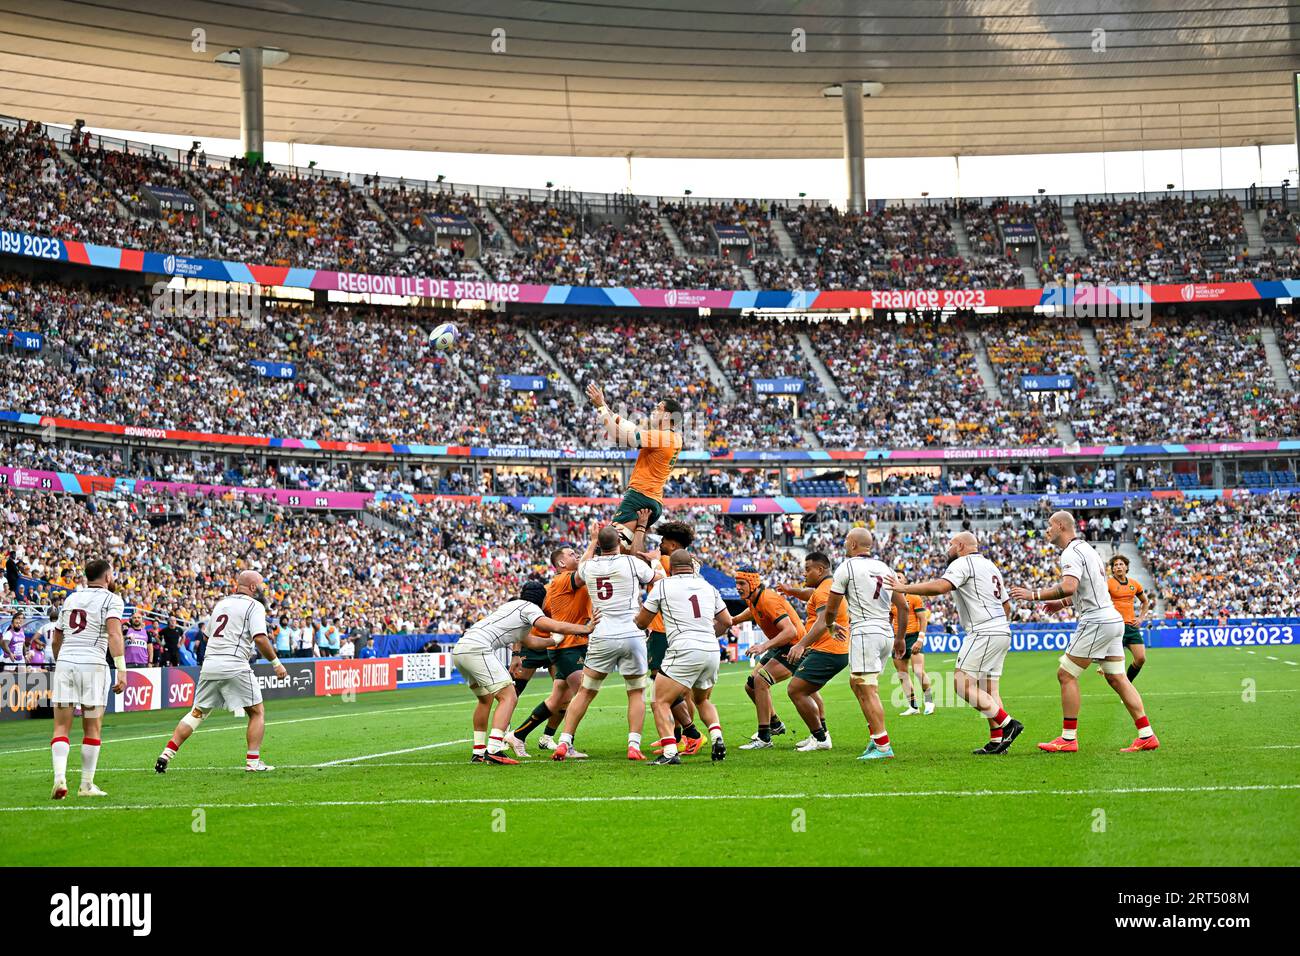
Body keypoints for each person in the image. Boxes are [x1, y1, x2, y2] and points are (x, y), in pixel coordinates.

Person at [1009, 511, 1159, 753]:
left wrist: (1033, 595)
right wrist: (1065, 603)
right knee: (1117, 678)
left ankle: (1068, 738)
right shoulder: (1087, 549)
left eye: (1049, 526)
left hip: (1097, 620)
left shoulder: (1070, 552)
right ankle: (1146, 734)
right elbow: (1088, 588)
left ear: (1060, 526)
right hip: (1112, 618)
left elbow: (1069, 586)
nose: (1046, 530)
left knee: (1066, 675)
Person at [889, 532, 1024, 755]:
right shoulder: (990, 565)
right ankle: (997, 741)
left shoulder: (963, 562)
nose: (948, 549)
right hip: (1001, 629)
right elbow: (1006, 605)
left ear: (960, 545)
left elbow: (941, 587)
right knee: (989, 689)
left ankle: (1008, 724)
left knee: (961, 684)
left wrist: (904, 588)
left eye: (951, 545)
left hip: (983, 631)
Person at [154, 571, 287, 774]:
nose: (264, 588)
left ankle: (166, 754)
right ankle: (253, 762)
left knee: (197, 712)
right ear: (252, 587)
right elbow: (260, 638)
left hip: (210, 664)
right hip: (234, 663)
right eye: (261, 584)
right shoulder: (254, 606)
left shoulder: (221, 604)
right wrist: (276, 663)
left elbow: (207, 636)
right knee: (257, 712)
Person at [551, 519, 661, 761]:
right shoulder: (631, 562)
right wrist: (655, 558)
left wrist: (591, 542)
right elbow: (656, 578)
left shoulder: (588, 567)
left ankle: (564, 741)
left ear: (598, 544)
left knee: (586, 691)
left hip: (602, 633)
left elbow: (581, 567)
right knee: (635, 692)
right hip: (632, 633)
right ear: (620, 543)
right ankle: (633, 745)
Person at [453, 582, 595, 764]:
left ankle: (479, 751)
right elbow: (548, 624)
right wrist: (584, 629)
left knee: (485, 699)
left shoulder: (512, 606)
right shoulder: (530, 608)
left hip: (460, 650)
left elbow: (531, 641)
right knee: (509, 696)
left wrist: (553, 641)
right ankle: (495, 749)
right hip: (478, 649)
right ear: (543, 599)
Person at [800, 529, 908, 760]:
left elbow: (831, 607)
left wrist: (829, 625)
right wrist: (899, 638)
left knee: (867, 688)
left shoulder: (846, 567)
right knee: (858, 684)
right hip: (885, 633)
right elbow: (904, 606)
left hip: (864, 632)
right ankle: (875, 739)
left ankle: (882, 745)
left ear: (851, 543)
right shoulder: (885, 568)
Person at [633, 549, 731, 764]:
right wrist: (706, 635)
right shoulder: (708, 587)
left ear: (671, 568)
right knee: (702, 699)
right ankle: (717, 737)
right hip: (711, 649)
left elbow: (642, 622)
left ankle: (669, 752)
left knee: (659, 700)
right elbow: (727, 621)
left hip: (685, 648)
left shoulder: (663, 585)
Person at [48, 558, 127, 799]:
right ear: (108, 577)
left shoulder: (72, 598)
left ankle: (60, 777)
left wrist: (62, 661)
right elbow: (114, 634)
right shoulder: (112, 599)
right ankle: (85, 785)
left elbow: (56, 637)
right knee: (92, 726)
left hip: (66, 664)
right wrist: (121, 669)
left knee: (61, 725)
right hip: (92, 666)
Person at [506, 545, 592, 757]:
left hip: (558, 644)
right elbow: (523, 623)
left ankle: (533, 736)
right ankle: (501, 734)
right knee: (581, 692)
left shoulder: (571, 585)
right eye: (571, 554)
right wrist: (517, 653)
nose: (577, 556)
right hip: (549, 644)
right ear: (561, 563)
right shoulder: (556, 585)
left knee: (560, 698)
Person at [584, 382, 683, 549]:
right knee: (629, 550)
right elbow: (627, 426)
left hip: (640, 496)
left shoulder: (661, 437)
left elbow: (619, 436)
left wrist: (601, 408)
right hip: (654, 499)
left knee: (608, 546)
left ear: (667, 416)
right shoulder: (675, 438)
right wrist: (604, 405)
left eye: (658, 408)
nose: (653, 411)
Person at [644, 520, 707, 754]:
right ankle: (679, 735)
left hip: (665, 629)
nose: (659, 545)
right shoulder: (690, 562)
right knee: (679, 690)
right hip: (680, 630)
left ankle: (686, 736)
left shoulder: (668, 561)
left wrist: (641, 531)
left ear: (671, 544)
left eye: (662, 542)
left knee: (667, 687)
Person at [780, 551, 850, 751]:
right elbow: (807, 595)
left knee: (796, 690)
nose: (805, 574)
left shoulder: (824, 591)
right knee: (809, 691)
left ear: (820, 570)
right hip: (829, 649)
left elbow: (821, 623)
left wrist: (800, 644)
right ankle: (819, 734)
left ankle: (820, 738)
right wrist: (790, 591)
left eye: (808, 569)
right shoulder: (826, 588)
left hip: (829, 650)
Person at [735, 567, 805, 750]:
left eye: (742, 583)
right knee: (750, 686)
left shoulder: (768, 600)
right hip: (782, 645)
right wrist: (732, 621)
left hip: (795, 646)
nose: (738, 587)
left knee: (761, 680)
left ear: (753, 583)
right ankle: (774, 724)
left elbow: (791, 631)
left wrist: (763, 646)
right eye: (737, 583)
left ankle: (764, 737)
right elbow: (751, 612)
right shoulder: (754, 599)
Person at [1104, 555, 1153, 682]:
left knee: (1141, 658)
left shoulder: (1134, 584)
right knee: (1113, 665)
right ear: (1112, 570)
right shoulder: (1108, 584)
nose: (1118, 567)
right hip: (1115, 627)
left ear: (1126, 567)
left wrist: (1141, 618)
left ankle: (1128, 684)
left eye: (1121, 564)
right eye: (1115, 565)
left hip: (1131, 627)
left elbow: (1145, 602)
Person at [891, 579, 933, 716]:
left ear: (904, 581)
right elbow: (889, 620)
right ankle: (913, 706)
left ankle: (929, 702)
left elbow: (922, 619)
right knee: (902, 674)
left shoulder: (914, 596)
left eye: (900, 576)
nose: (897, 578)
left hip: (913, 636)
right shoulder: (889, 599)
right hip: (898, 638)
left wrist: (920, 639)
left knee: (918, 671)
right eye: (895, 576)